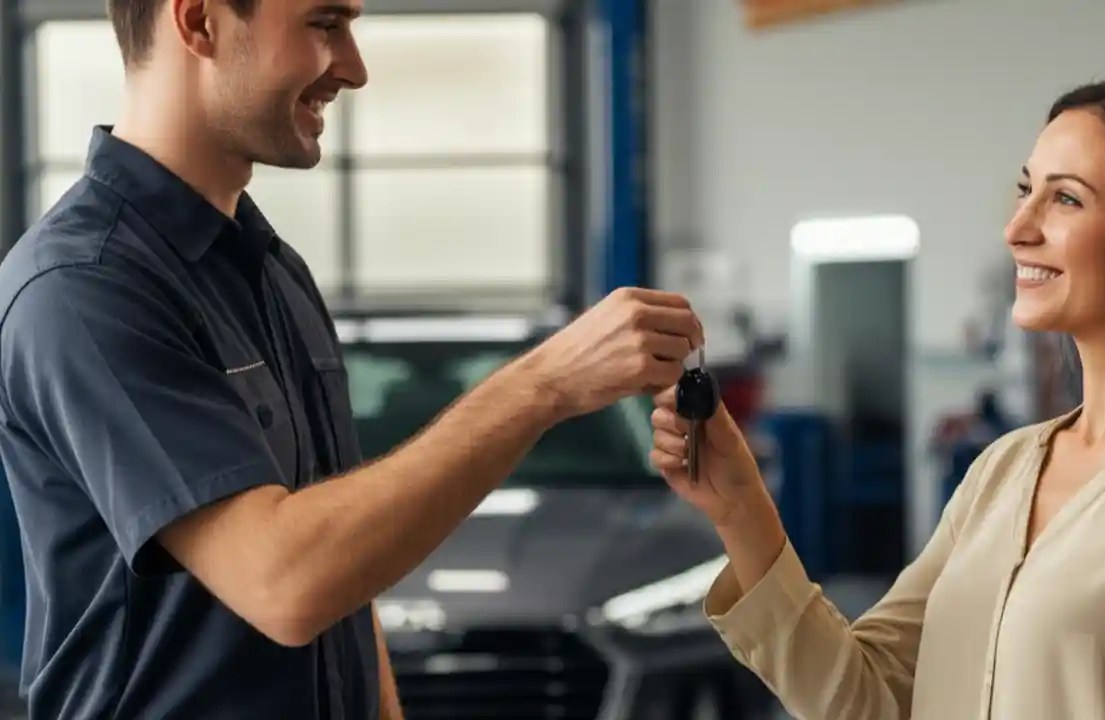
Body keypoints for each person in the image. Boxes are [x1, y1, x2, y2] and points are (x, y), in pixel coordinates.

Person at [0, 1, 703, 718]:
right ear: (200, 21)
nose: (355, 69)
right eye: (324, 24)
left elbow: (344, 575)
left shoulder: (273, 273)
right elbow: (284, 582)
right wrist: (543, 385)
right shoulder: (85, 287)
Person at [650, 77, 1105, 720]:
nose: (1018, 228)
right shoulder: (1002, 471)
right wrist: (742, 508)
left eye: (1066, 198)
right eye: (1026, 190)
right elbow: (866, 697)